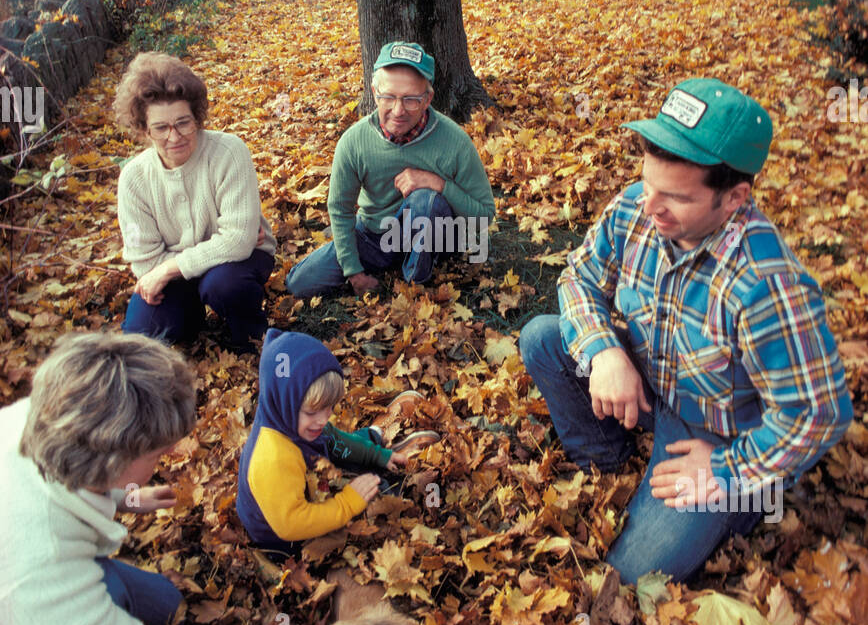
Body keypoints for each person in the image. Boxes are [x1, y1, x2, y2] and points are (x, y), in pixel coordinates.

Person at [519, 77, 853, 585]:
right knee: (543, 338)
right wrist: (606, 352)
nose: (650, 206)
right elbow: (578, 277)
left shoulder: (766, 287)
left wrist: (723, 470)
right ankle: (607, 459)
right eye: (649, 183)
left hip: (716, 434)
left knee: (629, 579)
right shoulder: (636, 208)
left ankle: (733, 506)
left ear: (734, 197)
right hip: (653, 379)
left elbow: (818, 413)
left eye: (675, 196)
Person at [0, 332, 316, 625]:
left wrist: (128, 496)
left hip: (32, 579)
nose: (168, 457)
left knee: (167, 603)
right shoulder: (41, 565)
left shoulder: (40, 418)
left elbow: (67, 479)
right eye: (156, 455)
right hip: (15, 623)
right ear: (110, 460)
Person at [286, 41, 495, 298]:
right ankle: (389, 264)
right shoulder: (354, 142)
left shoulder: (455, 142)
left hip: (434, 236)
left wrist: (438, 184)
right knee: (299, 283)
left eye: (411, 100)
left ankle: (416, 282)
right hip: (374, 235)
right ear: (374, 93)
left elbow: (484, 215)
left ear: (428, 98)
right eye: (388, 97)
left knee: (426, 202)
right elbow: (340, 209)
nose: (398, 111)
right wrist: (354, 272)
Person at [114, 52, 276, 351]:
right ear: (144, 129)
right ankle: (190, 313)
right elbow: (145, 262)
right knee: (141, 334)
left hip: (235, 266)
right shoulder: (134, 179)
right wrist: (187, 264)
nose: (174, 136)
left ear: (197, 118)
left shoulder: (229, 152)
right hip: (186, 271)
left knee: (223, 284)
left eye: (183, 123)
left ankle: (251, 332)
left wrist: (168, 267)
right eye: (161, 128)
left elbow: (240, 242)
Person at [236, 330, 437, 555]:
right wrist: (347, 503)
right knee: (368, 500)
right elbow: (292, 524)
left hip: (307, 477)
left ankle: (375, 441)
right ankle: (392, 488)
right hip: (290, 541)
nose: (323, 418)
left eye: (329, 407)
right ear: (284, 400)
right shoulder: (272, 459)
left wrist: (379, 455)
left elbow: (332, 436)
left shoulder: (290, 419)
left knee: (332, 439)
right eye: (313, 411)